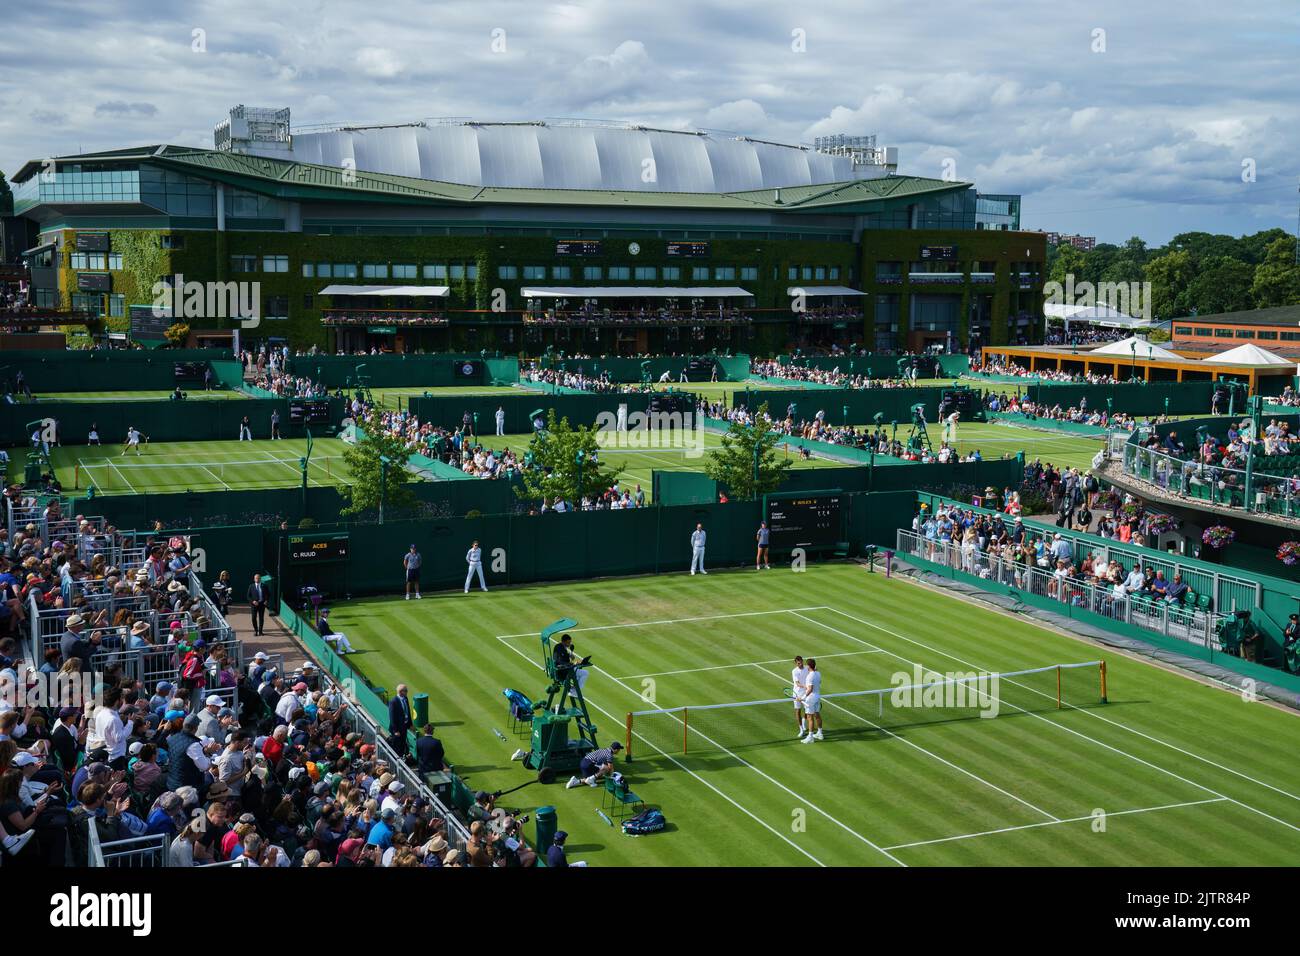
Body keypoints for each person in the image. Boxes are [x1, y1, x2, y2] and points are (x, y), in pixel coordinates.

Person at [800, 658, 823, 744]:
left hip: (811, 698)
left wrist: (803, 697)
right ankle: (820, 733)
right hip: (817, 696)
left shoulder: (810, 676)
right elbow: (819, 682)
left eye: (807, 665)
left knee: (810, 717)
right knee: (817, 714)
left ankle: (810, 737)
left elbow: (810, 689)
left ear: (809, 666)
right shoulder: (818, 673)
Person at [388, 684, 412, 754]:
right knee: (397, 746)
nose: (407, 692)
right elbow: (392, 717)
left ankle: (402, 757)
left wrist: (410, 724)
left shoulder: (405, 698)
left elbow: (408, 711)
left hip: (404, 726)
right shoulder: (393, 702)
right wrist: (395, 731)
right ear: (401, 692)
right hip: (397, 729)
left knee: (403, 744)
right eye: (406, 691)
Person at [791, 655, 809, 739]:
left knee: (807, 710)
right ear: (796, 663)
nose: (800, 664)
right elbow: (797, 683)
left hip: (806, 693)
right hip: (797, 694)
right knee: (798, 711)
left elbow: (813, 671)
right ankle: (801, 729)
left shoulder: (807, 668)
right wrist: (804, 686)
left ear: (802, 661)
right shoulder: (794, 671)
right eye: (798, 663)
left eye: (801, 662)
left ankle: (804, 721)